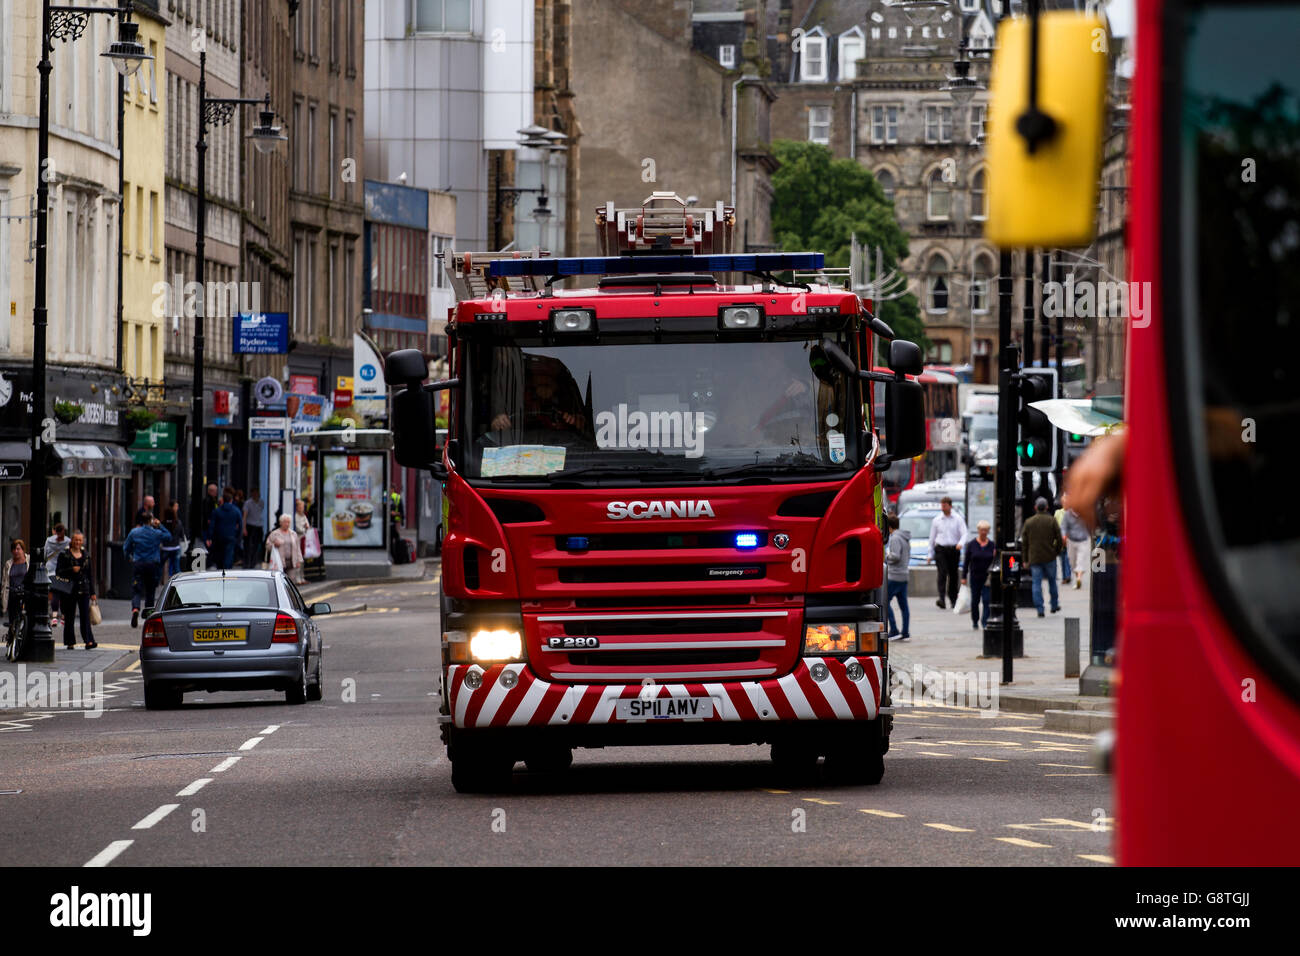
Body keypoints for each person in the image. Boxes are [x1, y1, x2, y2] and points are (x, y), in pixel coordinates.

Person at [124, 513, 171, 628]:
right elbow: (169, 536)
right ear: (151, 521)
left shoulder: (134, 532)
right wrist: (160, 525)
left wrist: (129, 557)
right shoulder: (156, 533)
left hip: (138, 563)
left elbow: (126, 548)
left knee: (136, 589)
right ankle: (148, 617)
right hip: (152, 564)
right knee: (150, 591)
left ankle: (135, 609)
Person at [1021, 497, 1063, 617]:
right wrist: (1056, 551)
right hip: (1050, 556)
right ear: (1047, 507)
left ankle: (1040, 608)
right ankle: (1054, 604)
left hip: (1034, 558)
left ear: (1035, 507)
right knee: (1052, 582)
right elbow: (1059, 539)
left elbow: (1024, 543)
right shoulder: (1052, 521)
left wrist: (1025, 559)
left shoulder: (1029, 522)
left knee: (1036, 583)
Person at [56, 531, 96, 649]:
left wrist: (93, 592)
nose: (78, 542)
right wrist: (71, 569)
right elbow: (59, 572)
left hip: (84, 589)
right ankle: (70, 642)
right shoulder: (64, 555)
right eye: (75, 540)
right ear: (71, 541)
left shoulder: (86, 555)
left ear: (82, 541)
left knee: (85, 616)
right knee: (69, 616)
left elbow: (90, 575)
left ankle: (89, 641)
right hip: (69, 589)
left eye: (80, 540)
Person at [927, 496, 968, 609]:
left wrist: (961, 543)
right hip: (941, 549)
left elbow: (964, 533)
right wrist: (930, 554)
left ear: (950, 506)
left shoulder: (958, 519)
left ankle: (953, 599)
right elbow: (932, 537)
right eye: (942, 505)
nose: (943, 507)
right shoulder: (937, 520)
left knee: (953, 575)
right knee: (942, 574)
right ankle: (941, 598)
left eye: (945, 505)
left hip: (954, 549)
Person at [961, 520, 997, 631]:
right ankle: (975, 620)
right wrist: (963, 576)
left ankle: (985, 620)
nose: (983, 532)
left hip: (987, 578)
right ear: (978, 531)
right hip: (975, 576)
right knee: (975, 600)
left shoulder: (992, 545)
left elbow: (995, 560)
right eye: (982, 530)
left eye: (986, 530)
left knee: (987, 600)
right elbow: (966, 562)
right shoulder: (971, 545)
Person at [884, 513, 911, 641]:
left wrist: (886, 555)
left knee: (885, 601)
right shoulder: (905, 538)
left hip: (894, 575)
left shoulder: (895, 538)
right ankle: (905, 632)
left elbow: (895, 556)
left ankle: (894, 629)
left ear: (889, 527)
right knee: (904, 606)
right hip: (904, 575)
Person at [1059, 492, 1092, 590]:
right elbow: (1063, 526)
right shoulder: (1068, 514)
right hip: (1071, 541)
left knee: (1080, 561)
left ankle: (1079, 578)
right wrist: (1063, 535)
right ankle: (1078, 573)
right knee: (1072, 562)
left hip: (1083, 540)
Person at [205, 491, 243, 570]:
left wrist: (209, 537)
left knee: (220, 554)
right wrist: (238, 536)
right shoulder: (236, 511)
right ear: (231, 500)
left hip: (219, 536)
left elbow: (212, 525)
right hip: (231, 536)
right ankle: (227, 569)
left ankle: (220, 568)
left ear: (223, 500)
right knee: (229, 554)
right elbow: (240, 524)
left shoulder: (217, 511)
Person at [43, 523, 72, 629]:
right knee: (63, 592)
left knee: (55, 592)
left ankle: (54, 616)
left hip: (50, 570)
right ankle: (63, 616)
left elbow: (45, 554)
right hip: (63, 571)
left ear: (54, 530)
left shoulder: (49, 541)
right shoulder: (68, 541)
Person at [265, 514, 305, 584]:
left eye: (288, 522)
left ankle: (289, 595)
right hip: (279, 562)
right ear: (280, 523)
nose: (287, 524)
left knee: (291, 581)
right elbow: (267, 546)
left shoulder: (293, 534)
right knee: (280, 581)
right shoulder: (275, 533)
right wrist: (274, 545)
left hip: (292, 562)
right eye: (285, 522)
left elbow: (297, 548)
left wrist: (299, 560)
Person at [3, 539, 29, 631]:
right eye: (14, 549)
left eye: (18, 549)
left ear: (23, 550)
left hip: (25, 591)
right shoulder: (9, 564)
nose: (16, 551)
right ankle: (11, 633)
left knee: (26, 615)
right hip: (12, 592)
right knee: (13, 618)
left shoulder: (28, 561)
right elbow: (5, 581)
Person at [160, 502, 185, 587]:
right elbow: (182, 535)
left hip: (165, 548)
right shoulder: (178, 523)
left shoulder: (162, 524)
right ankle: (179, 583)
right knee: (176, 566)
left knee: (160, 566)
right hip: (175, 547)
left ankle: (157, 581)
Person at [243, 488, 266, 570]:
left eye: (257, 493)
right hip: (250, 525)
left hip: (258, 526)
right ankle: (247, 563)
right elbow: (245, 515)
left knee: (257, 545)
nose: (256, 495)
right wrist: (244, 528)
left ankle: (254, 562)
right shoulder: (248, 503)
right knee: (248, 546)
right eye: (254, 493)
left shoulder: (261, 502)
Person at [1054, 498, 1072, 585]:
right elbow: (1055, 526)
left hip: (1069, 539)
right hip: (1060, 539)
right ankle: (1065, 577)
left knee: (1067, 558)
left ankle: (1067, 576)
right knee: (1062, 559)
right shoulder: (1058, 513)